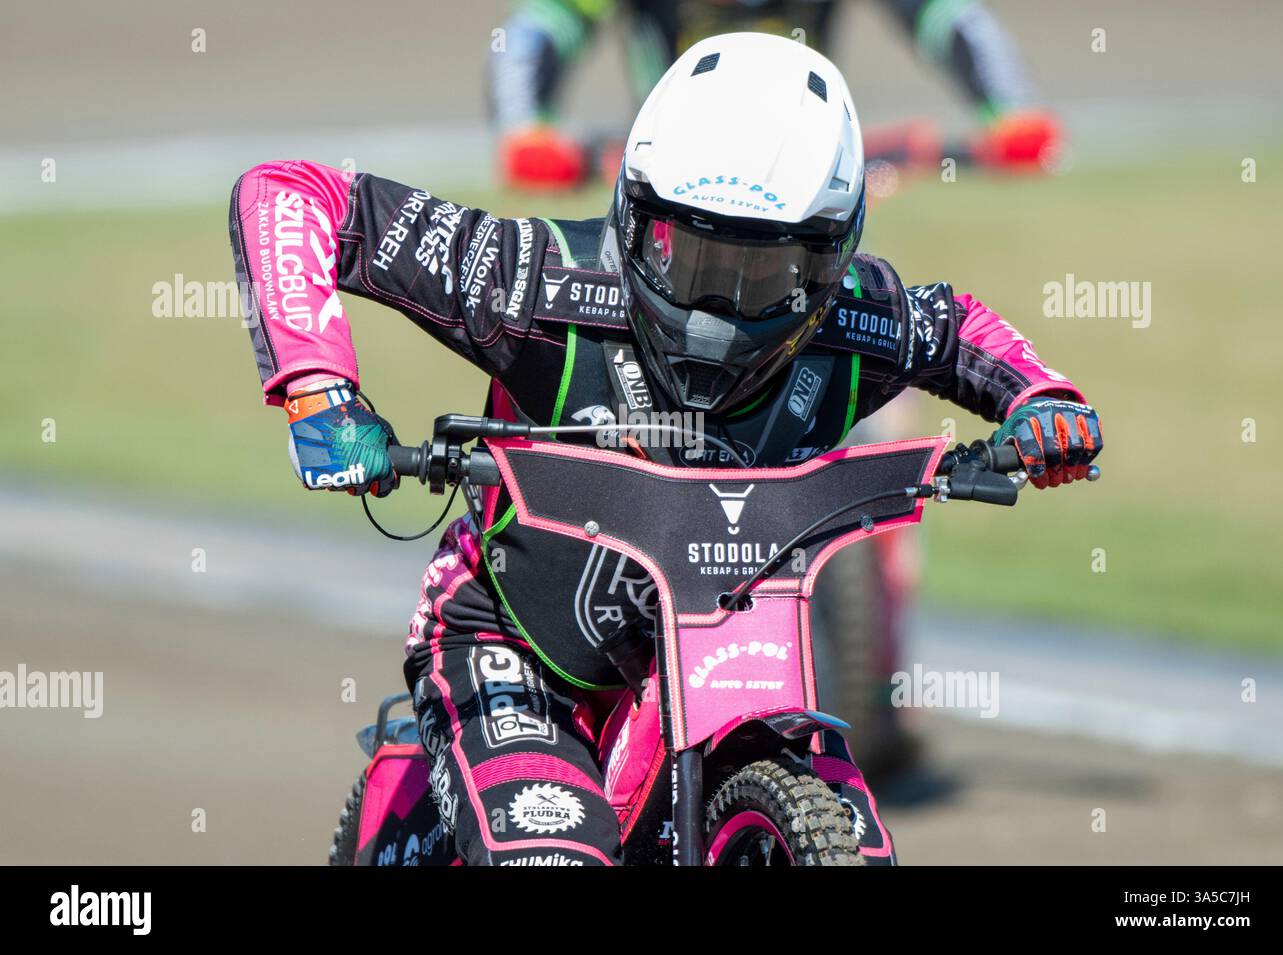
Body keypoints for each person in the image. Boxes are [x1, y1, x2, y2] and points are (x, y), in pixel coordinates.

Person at [229, 33, 1101, 865]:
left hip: (726, 656)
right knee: (554, 849)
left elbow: (956, 327)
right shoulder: (533, 275)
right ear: (634, 207)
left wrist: (1044, 400)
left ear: (831, 262)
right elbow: (291, 192)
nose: (713, 312)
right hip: (513, 648)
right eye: (685, 255)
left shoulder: (858, 320)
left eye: (761, 274)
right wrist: (319, 387)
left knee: (859, 834)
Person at [491, 0, 1063, 189]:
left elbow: (948, 19)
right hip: (660, 183)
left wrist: (1014, 113)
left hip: (807, 180)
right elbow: (536, 32)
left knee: (880, 369)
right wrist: (526, 132)